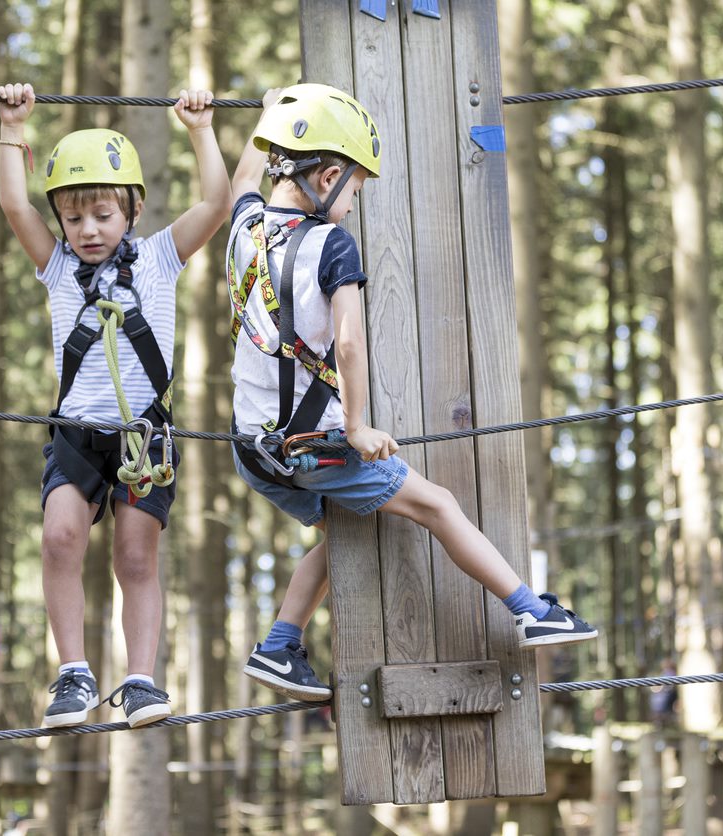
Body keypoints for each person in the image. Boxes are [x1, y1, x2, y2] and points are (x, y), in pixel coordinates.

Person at [226, 83, 598, 701]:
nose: (354, 203)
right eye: (357, 189)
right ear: (328, 176)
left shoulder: (244, 229)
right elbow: (348, 344)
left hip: (253, 450)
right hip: (314, 445)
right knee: (439, 504)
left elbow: (244, 175)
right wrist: (357, 425)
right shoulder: (331, 244)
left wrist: (268, 118)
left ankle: (279, 645)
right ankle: (532, 610)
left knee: (341, 528)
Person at [0, 83, 231, 727]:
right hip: (76, 433)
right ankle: (72, 672)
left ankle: (141, 680)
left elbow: (217, 201)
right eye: (73, 218)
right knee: (58, 537)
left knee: (136, 556)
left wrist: (200, 130)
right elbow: (15, 204)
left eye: (102, 213)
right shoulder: (57, 267)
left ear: (132, 210)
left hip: (142, 439)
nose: (87, 229)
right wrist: (13, 126)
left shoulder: (159, 259)